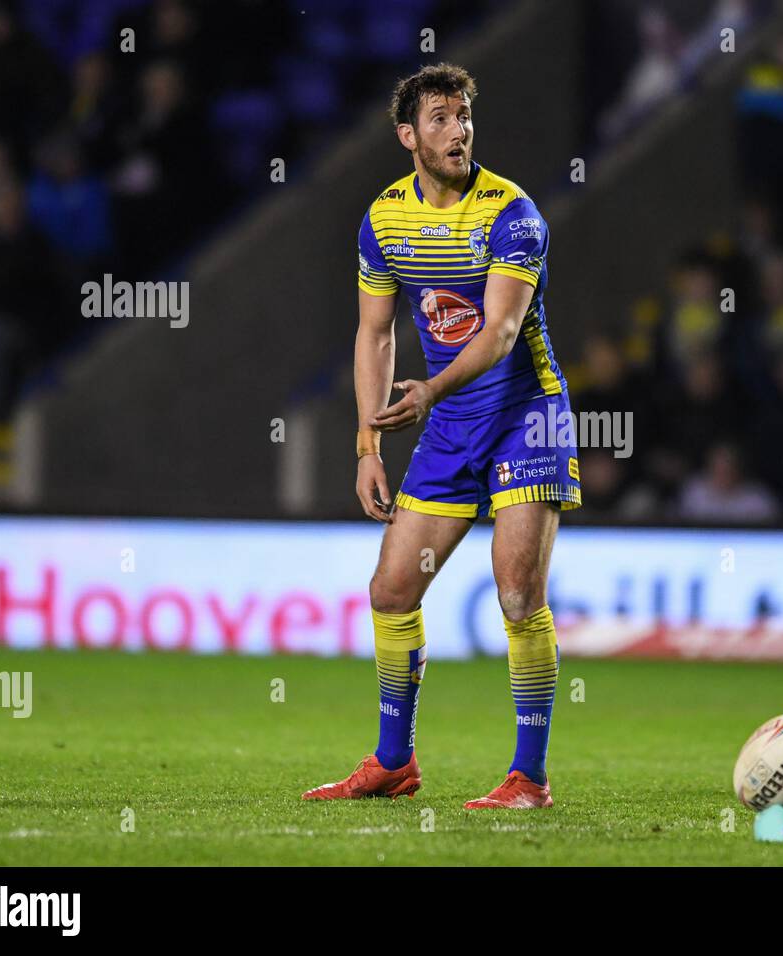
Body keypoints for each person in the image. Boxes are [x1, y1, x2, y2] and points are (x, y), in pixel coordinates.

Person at [302, 64, 580, 810]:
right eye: (441, 119)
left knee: (518, 594)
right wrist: (367, 445)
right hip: (453, 426)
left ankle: (530, 777)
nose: (458, 131)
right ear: (408, 136)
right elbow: (373, 334)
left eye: (464, 117)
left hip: (526, 414)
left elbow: (501, 331)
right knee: (392, 590)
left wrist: (427, 390)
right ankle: (395, 761)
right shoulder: (383, 219)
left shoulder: (511, 212)